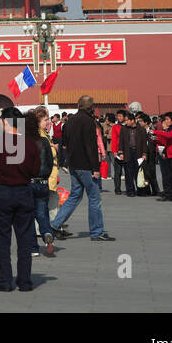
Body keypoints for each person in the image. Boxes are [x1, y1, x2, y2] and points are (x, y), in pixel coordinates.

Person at [0, 108, 40, 291]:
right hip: (24, 192)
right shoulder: (30, 143)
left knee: (2, 240)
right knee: (24, 240)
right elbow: (36, 171)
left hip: (3, 192)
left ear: (6, 122)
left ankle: (5, 281)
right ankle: (24, 282)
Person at [49, 96, 114, 242]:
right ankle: (96, 231)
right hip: (86, 165)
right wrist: (95, 168)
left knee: (75, 195)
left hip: (73, 163)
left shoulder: (70, 120)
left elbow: (64, 142)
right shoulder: (89, 121)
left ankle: (55, 224)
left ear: (78, 105)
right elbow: (90, 146)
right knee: (94, 197)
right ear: (91, 107)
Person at [31, 108, 60, 256]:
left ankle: (32, 248)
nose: (48, 122)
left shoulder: (28, 140)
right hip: (44, 181)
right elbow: (49, 159)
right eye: (45, 120)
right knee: (42, 213)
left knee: (29, 214)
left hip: (30, 182)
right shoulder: (44, 139)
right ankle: (47, 233)